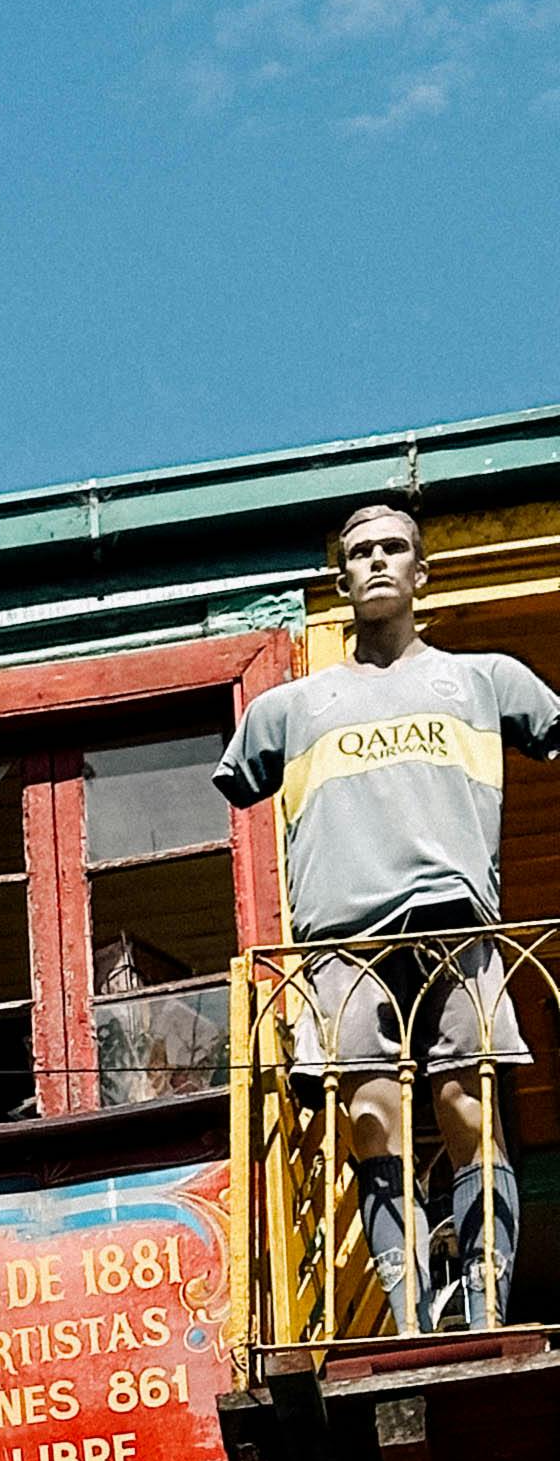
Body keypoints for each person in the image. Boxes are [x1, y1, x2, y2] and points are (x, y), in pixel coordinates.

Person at [215, 493, 560, 1330]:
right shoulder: (288, 710)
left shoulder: (485, 680)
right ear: (341, 577)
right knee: (373, 1116)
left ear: (421, 571)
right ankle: (410, 1312)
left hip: (456, 927)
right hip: (342, 941)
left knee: (468, 1106)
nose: (376, 560)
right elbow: (241, 780)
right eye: (360, 550)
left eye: (392, 548)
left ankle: (481, 1305)